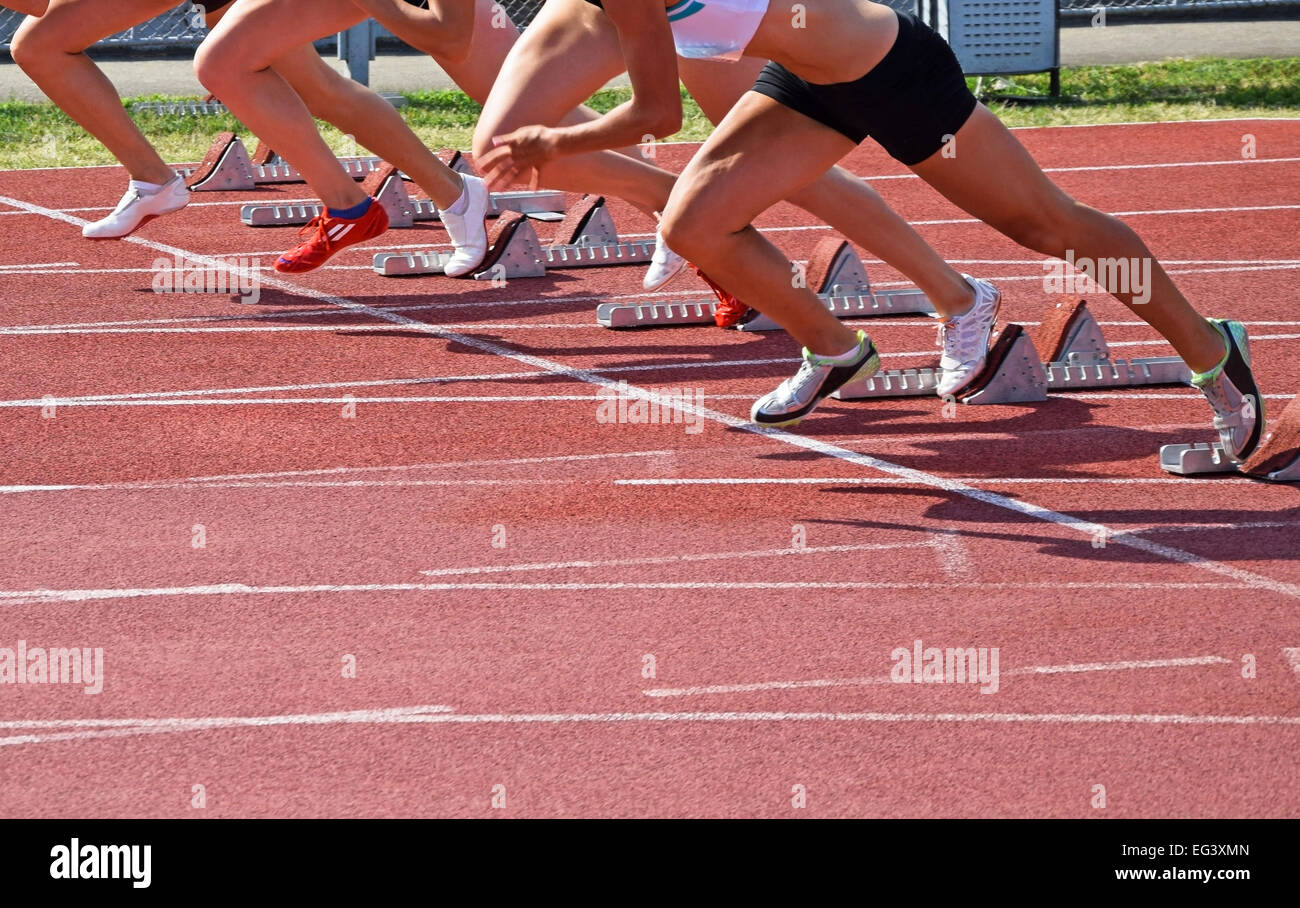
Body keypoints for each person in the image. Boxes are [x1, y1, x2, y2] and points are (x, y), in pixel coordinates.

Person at [480, 0, 1263, 462]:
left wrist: (554, 145)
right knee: (695, 224)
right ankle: (834, 350)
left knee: (1046, 223)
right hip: (807, 85)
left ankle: (1212, 356)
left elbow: (657, 115)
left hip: (892, 72)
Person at [472, 0, 998, 393]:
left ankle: (958, 296)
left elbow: (658, 114)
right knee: (498, 146)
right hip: (592, 9)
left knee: (793, 167)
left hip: (687, 10)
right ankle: (667, 197)